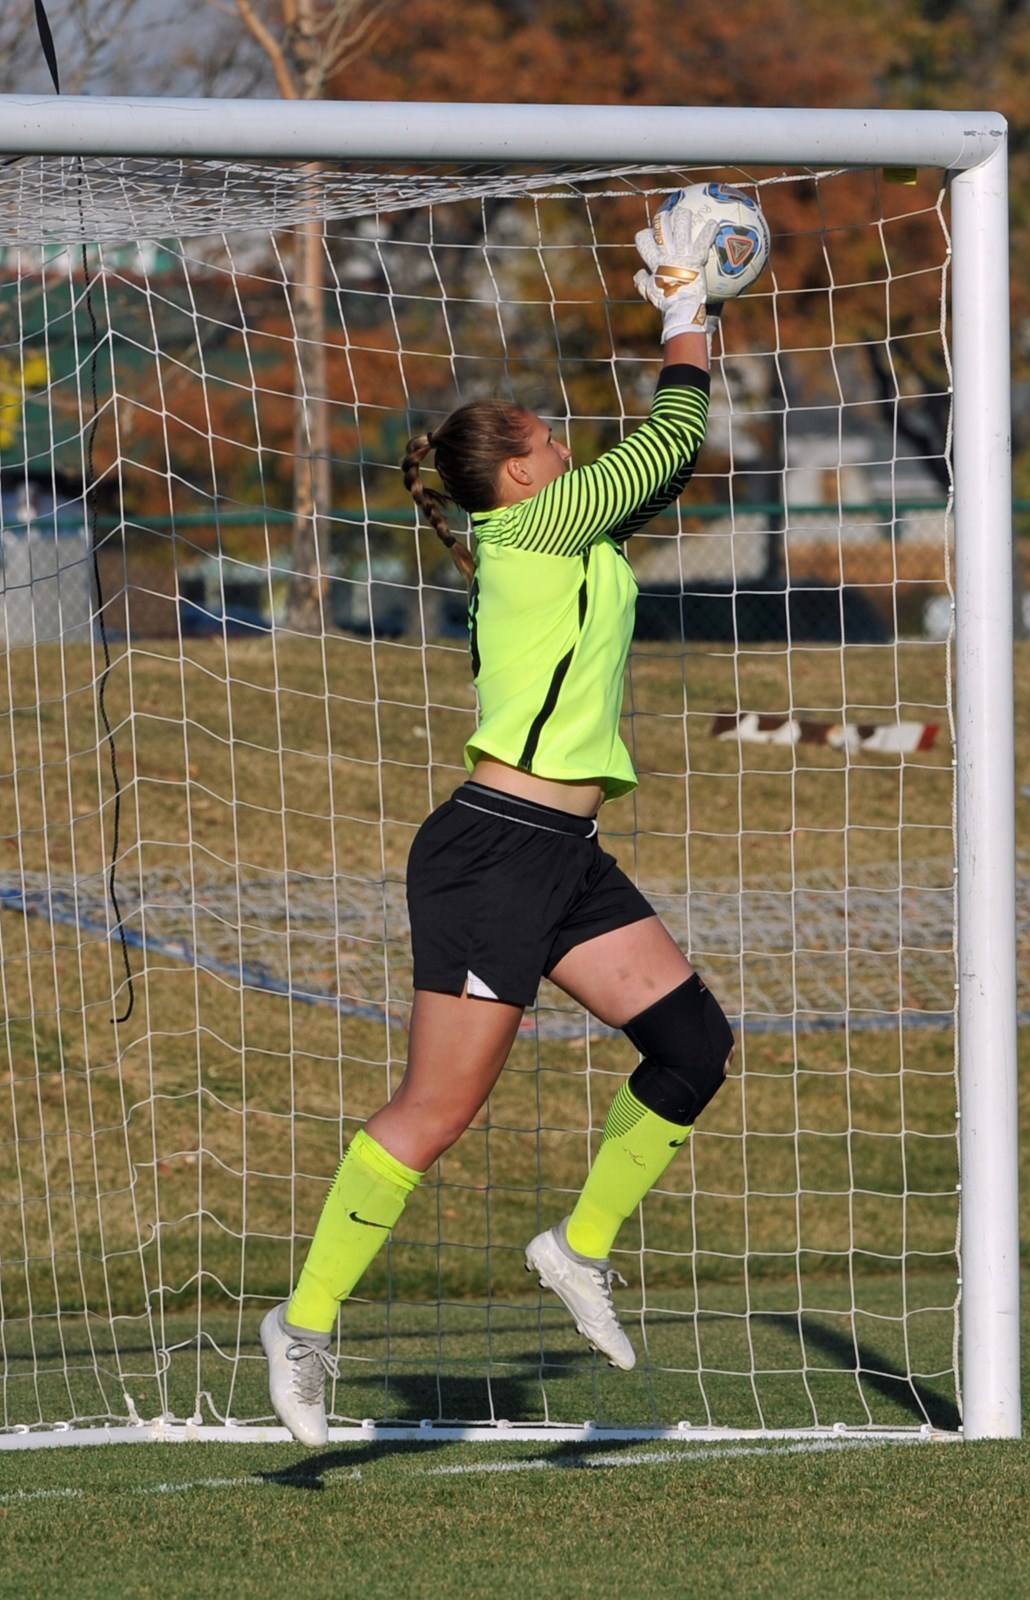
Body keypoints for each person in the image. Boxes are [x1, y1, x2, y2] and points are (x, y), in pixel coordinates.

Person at [261, 206, 735, 1447]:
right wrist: (684, 309)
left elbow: (657, 460)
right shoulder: (533, 524)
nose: (566, 440)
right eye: (545, 435)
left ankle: (577, 1247)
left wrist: (698, 302)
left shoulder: (548, 525)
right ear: (518, 473)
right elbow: (676, 437)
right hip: (490, 854)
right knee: (435, 1110)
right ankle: (304, 1323)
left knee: (693, 1045)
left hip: (563, 854)